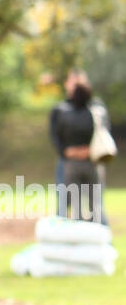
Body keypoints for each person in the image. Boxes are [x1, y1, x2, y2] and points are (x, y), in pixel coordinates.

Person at [50, 69, 111, 225]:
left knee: (95, 206)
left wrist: (90, 151)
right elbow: (55, 135)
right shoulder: (61, 109)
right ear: (67, 84)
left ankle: (101, 243)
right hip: (67, 161)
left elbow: (104, 134)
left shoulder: (96, 108)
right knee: (66, 203)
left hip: (91, 160)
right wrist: (67, 152)